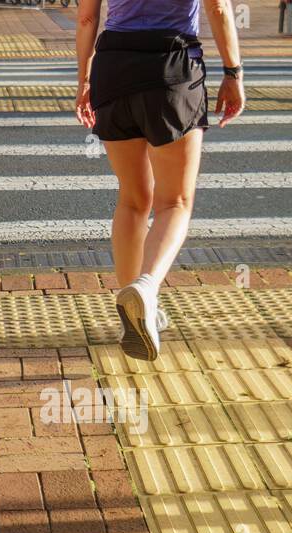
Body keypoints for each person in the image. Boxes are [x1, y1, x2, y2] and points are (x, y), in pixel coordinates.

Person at [75, 0, 245, 362]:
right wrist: (233, 73)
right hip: (172, 65)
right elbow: (218, 8)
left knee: (132, 199)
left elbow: (88, 17)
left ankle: (133, 308)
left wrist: (84, 80)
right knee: (175, 202)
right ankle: (146, 288)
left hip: (113, 66)